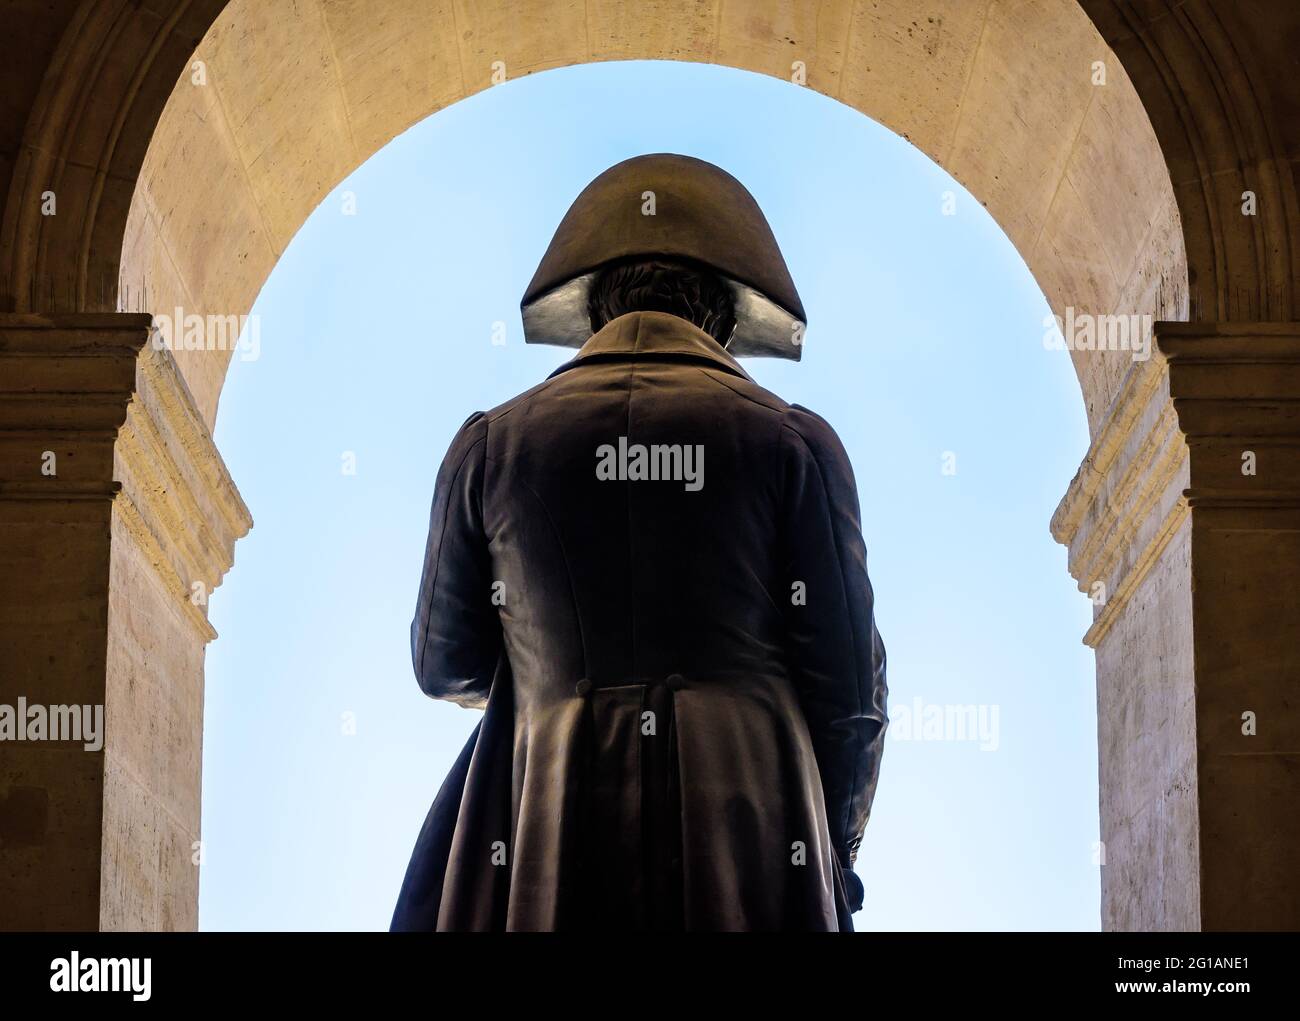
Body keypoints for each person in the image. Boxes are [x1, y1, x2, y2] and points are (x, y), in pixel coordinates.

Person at [391, 154, 887, 931]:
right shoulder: (795, 444)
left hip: (546, 822)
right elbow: (852, 695)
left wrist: (546, 666)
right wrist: (834, 852)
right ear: (721, 315)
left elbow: (442, 663)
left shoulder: (489, 448)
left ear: (594, 309)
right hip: (751, 837)